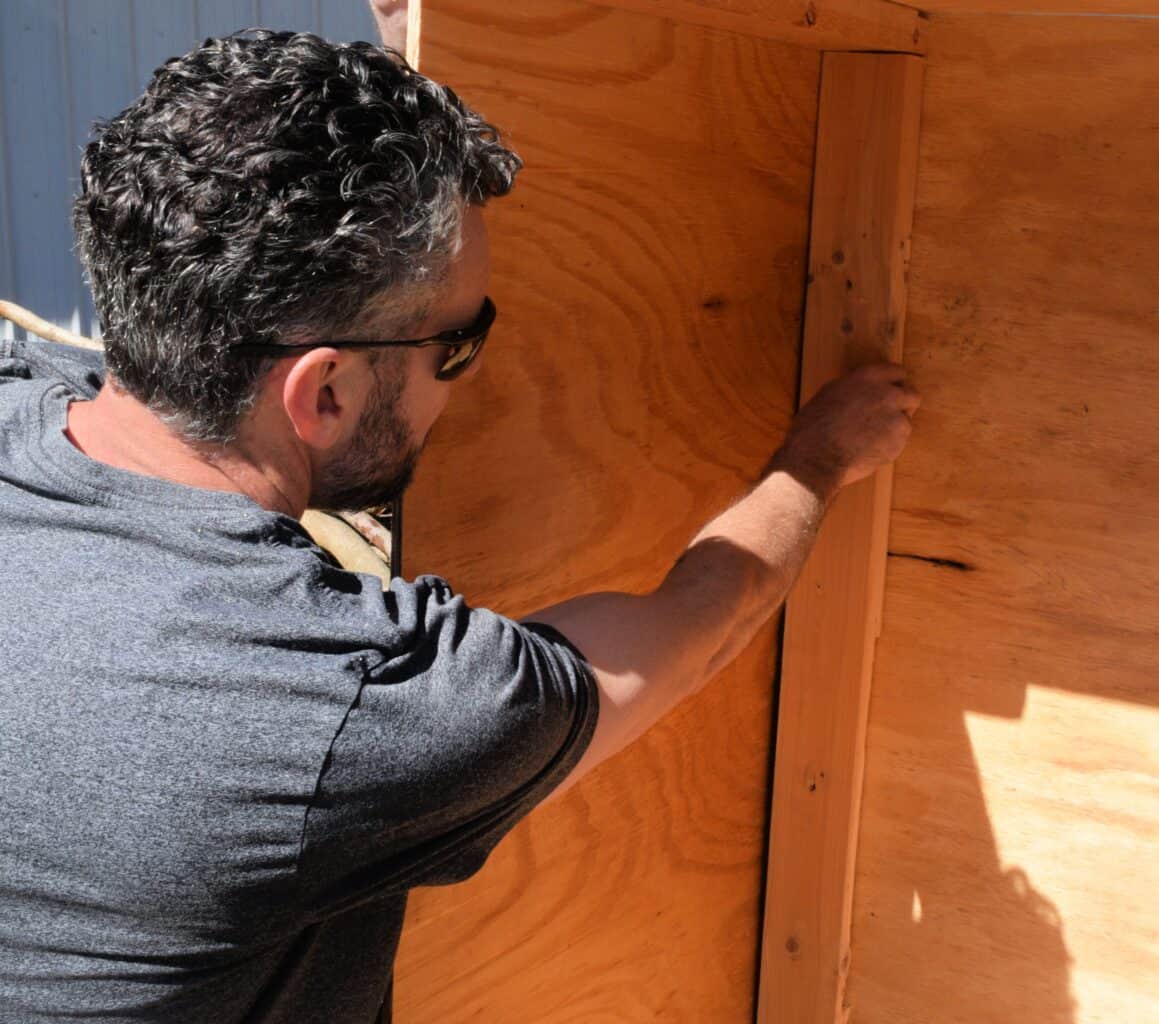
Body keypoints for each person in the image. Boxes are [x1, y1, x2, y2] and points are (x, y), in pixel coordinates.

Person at [0, 29, 917, 1024]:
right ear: (327, 389)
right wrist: (822, 457)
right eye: (460, 339)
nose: (467, 377)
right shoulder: (342, 700)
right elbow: (697, 629)